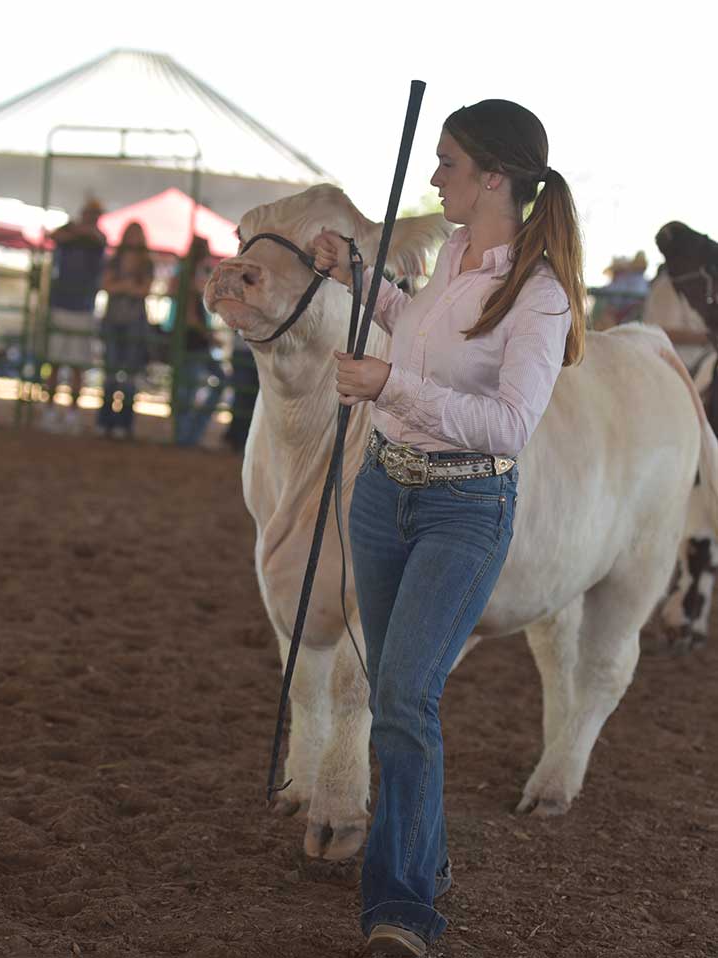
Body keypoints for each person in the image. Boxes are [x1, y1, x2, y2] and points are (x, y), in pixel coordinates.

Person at [311, 99, 585, 957]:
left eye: (447, 163)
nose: (433, 178)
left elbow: (507, 426)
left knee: (403, 698)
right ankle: (419, 869)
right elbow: (420, 339)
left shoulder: (538, 296)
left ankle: (401, 909)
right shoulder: (454, 259)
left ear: (492, 176)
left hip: (464, 506)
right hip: (383, 491)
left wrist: (387, 386)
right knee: (397, 695)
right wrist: (359, 281)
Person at [41, 199, 107, 434]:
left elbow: (95, 239)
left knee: (77, 365)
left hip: (82, 306)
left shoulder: (96, 238)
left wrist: (76, 232)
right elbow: (56, 236)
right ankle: (49, 410)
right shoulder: (71, 233)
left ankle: (71, 413)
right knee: (55, 362)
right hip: (63, 303)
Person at [96, 221, 153, 439]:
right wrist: (130, 287)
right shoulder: (117, 260)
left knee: (129, 375)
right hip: (115, 320)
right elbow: (108, 284)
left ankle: (123, 423)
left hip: (133, 322)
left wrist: (122, 286)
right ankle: (107, 421)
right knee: (111, 372)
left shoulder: (145, 263)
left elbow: (143, 289)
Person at [171, 235, 225, 447]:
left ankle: (187, 434)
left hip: (192, 340)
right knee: (192, 387)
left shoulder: (188, 276)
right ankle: (187, 436)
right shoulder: (190, 278)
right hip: (194, 340)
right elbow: (190, 317)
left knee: (189, 387)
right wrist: (208, 335)